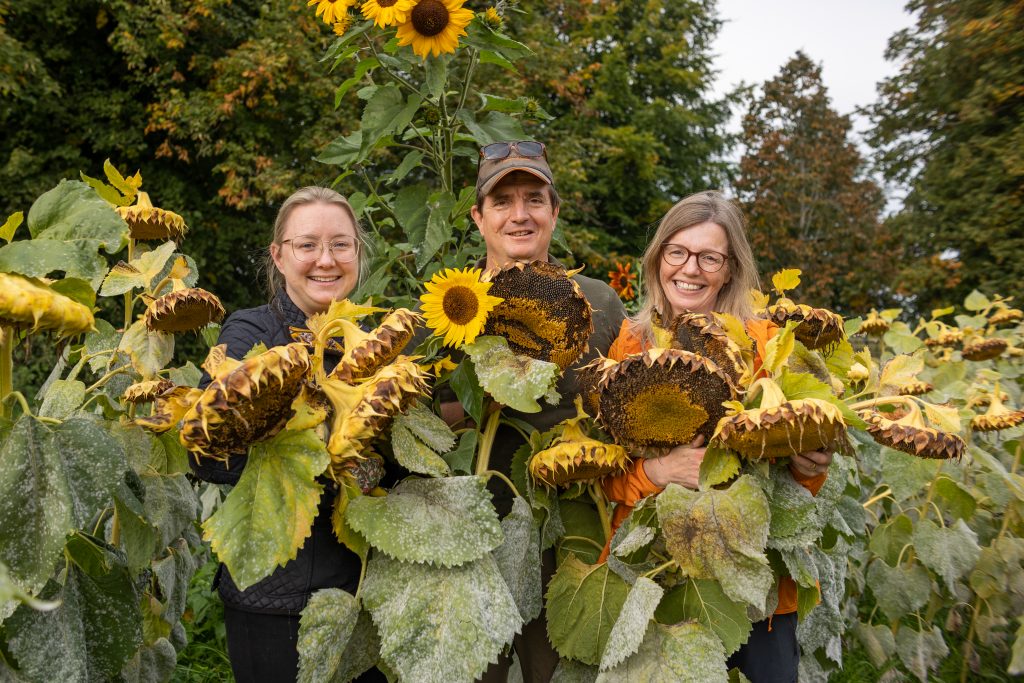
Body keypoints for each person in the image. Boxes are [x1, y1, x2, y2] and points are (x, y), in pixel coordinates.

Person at [600, 190, 832, 683]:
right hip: (654, 573)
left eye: (709, 257)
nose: (690, 268)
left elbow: (795, 489)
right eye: (677, 252)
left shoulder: (765, 343)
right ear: (658, 257)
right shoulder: (629, 344)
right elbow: (601, 474)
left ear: (730, 269)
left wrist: (809, 464)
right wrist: (656, 472)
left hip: (752, 583)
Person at [189, 186, 386, 683]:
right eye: (307, 245)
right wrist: (305, 436)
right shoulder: (251, 333)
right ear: (278, 256)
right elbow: (204, 451)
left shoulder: (374, 343)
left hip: (363, 595)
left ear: (358, 254)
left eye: (341, 244)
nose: (326, 259)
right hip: (274, 599)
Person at [469, 141, 628, 682]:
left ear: (554, 213)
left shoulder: (600, 302)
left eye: (534, 199)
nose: (520, 214)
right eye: (503, 201)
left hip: (570, 544)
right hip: (475, 547)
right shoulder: (452, 307)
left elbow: (621, 411)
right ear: (479, 217)